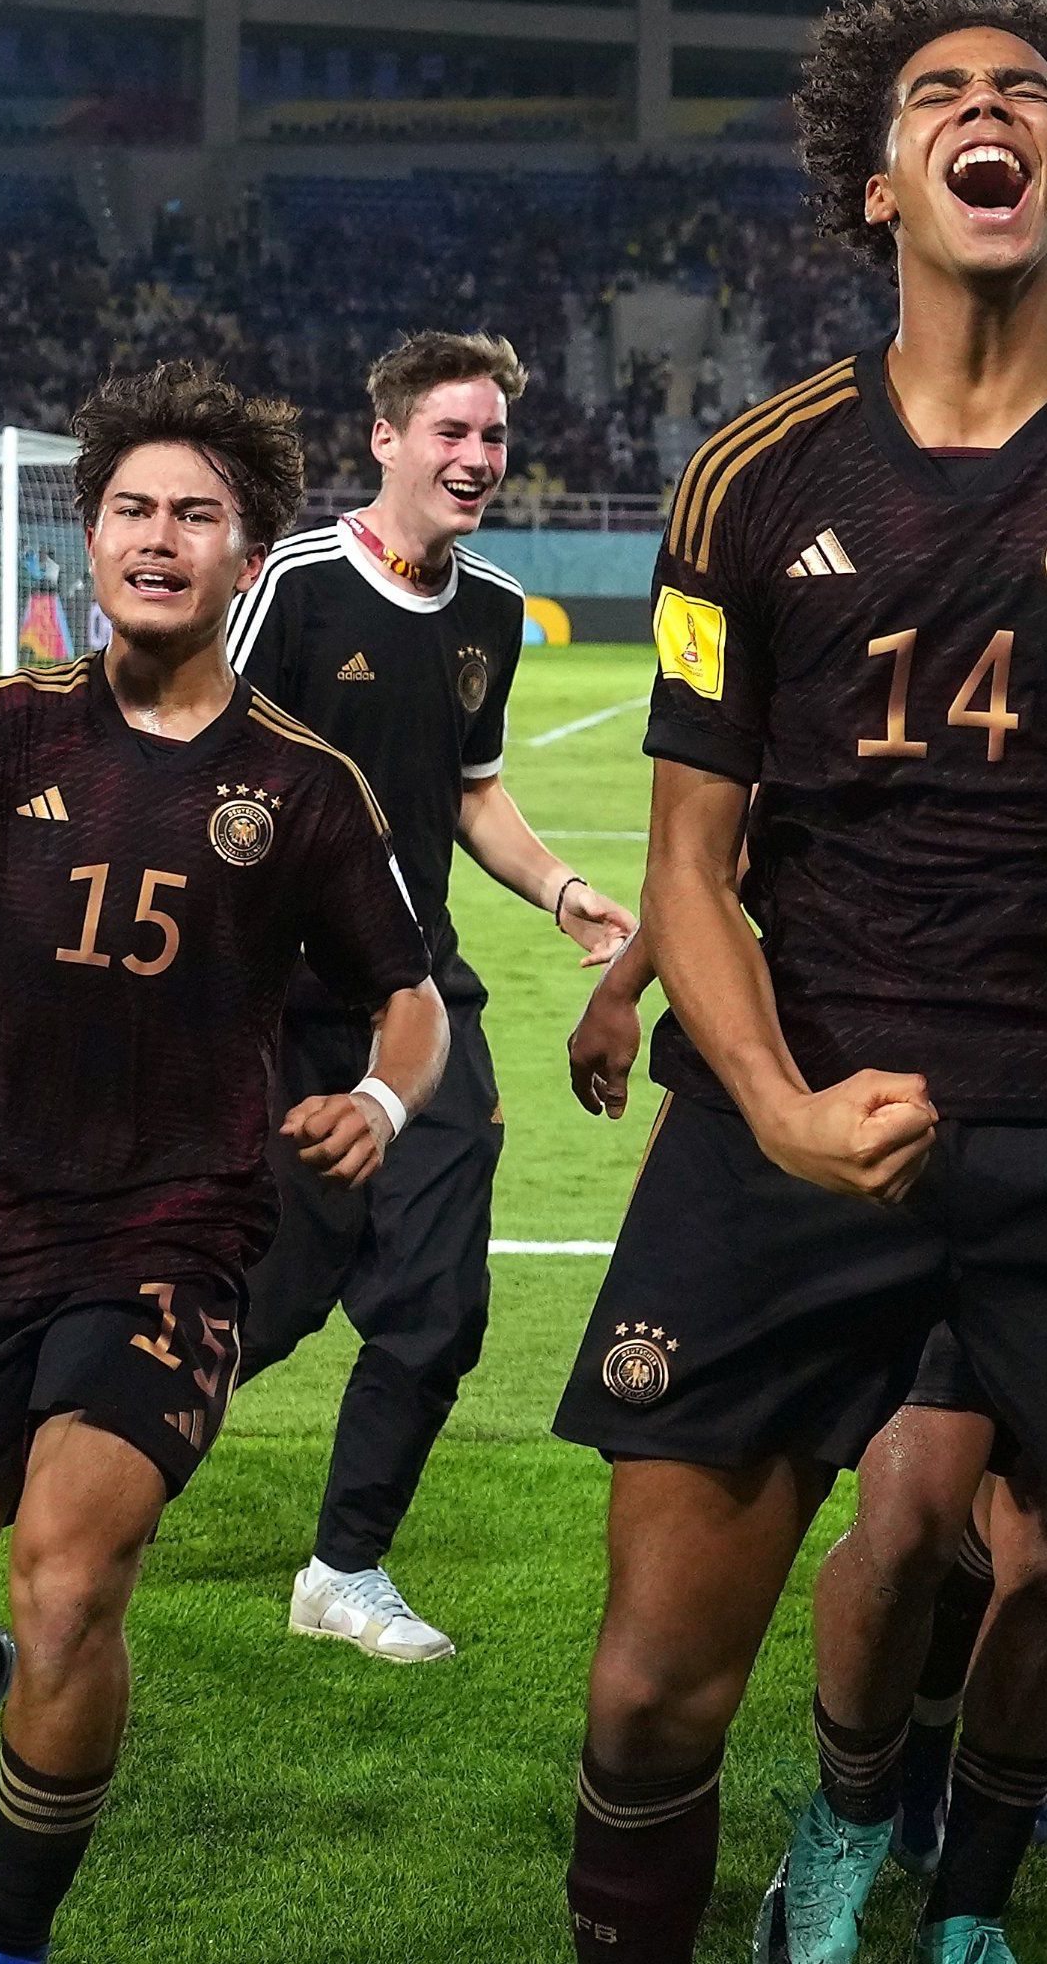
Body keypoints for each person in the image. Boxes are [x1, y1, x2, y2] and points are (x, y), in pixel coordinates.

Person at [554, 0, 1047, 1964]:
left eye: (1028, 98)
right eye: (942, 98)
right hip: (795, 1146)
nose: (990, 116)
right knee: (653, 1686)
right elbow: (689, 864)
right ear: (875, 178)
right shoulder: (755, 479)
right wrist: (784, 1111)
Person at [0, 362, 448, 1963]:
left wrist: (381, 1109)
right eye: (130, 511)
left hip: (174, 1234)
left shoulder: (305, 787)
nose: (158, 537)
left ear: (247, 558)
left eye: (196, 515)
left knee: (65, 1583)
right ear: (86, 541)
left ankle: (9, 1939)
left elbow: (409, 998)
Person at [227, 330, 633, 1662]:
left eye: (493, 437)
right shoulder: (289, 586)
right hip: (279, 1010)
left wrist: (562, 890)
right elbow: (205, 771)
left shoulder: (492, 611)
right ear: (385, 438)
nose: (475, 459)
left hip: (421, 1000)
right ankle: (70, 1465)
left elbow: (470, 791)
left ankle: (344, 1569)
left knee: (443, 1304)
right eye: (450, 433)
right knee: (272, 1297)